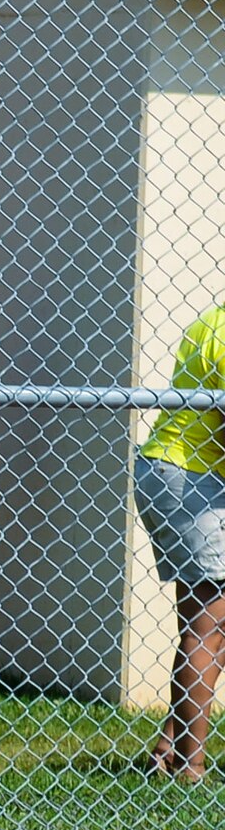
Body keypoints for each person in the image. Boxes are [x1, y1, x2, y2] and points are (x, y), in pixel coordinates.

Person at [134, 300, 225, 782]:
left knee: (213, 627)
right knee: (208, 625)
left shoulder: (211, 319)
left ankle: (171, 744)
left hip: (185, 473)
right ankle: (191, 767)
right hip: (191, 477)